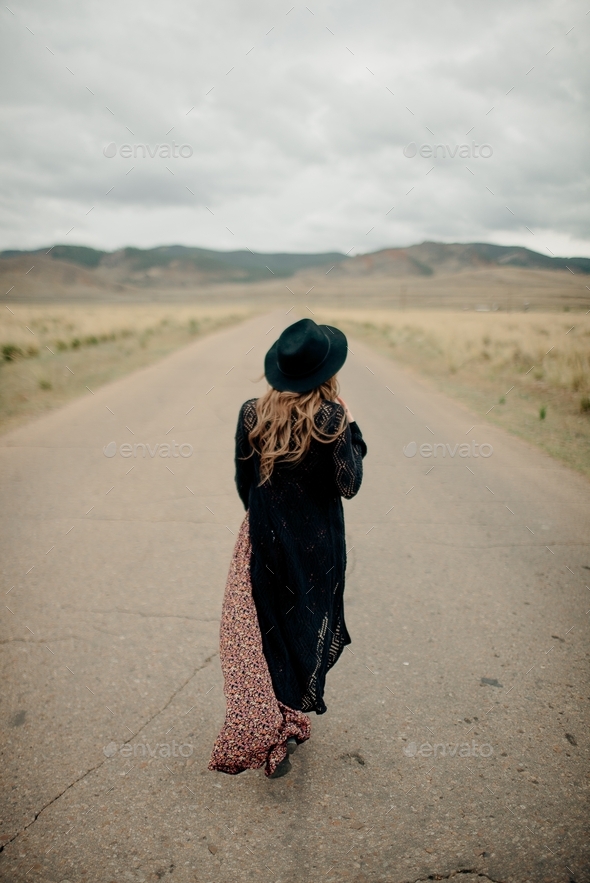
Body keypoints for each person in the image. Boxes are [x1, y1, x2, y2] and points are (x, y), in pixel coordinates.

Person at [209, 318, 367, 779]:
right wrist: (352, 426)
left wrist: (263, 522)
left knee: (266, 631)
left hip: (262, 542)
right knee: (302, 628)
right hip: (317, 551)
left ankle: (281, 724)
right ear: (326, 374)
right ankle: (282, 729)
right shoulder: (331, 419)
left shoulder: (249, 413)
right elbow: (349, 483)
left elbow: (244, 480)